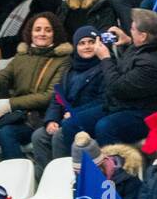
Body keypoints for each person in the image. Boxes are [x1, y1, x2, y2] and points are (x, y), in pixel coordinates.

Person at [0, 12, 72, 166]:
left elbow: (49, 96)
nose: (42, 34)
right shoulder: (21, 57)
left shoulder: (63, 60)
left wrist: (10, 104)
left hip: (40, 119)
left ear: (55, 33)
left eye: (48, 30)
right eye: (37, 29)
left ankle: (17, 181)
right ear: (30, 33)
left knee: (7, 133)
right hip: (17, 117)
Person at [91, 10, 157, 144]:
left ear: (143, 36)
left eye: (132, 29)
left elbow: (117, 87)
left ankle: (119, 163)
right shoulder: (147, 45)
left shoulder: (155, 63)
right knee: (73, 123)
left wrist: (105, 58)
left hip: (148, 113)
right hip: (126, 103)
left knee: (105, 127)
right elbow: (136, 62)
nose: (130, 30)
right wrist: (128, 42)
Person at [31, 27, 107, 169]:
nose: (87, 46)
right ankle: (45, 179)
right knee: (39, 136)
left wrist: (74, 114)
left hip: (86, 120)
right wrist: (51, 120)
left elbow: (103, 101)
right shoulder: (70, 69)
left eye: (91, 42)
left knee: (60, 135)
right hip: (65, 119)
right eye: (82, 43)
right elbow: (57, 97)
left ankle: (64, 178)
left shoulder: (105, 68)